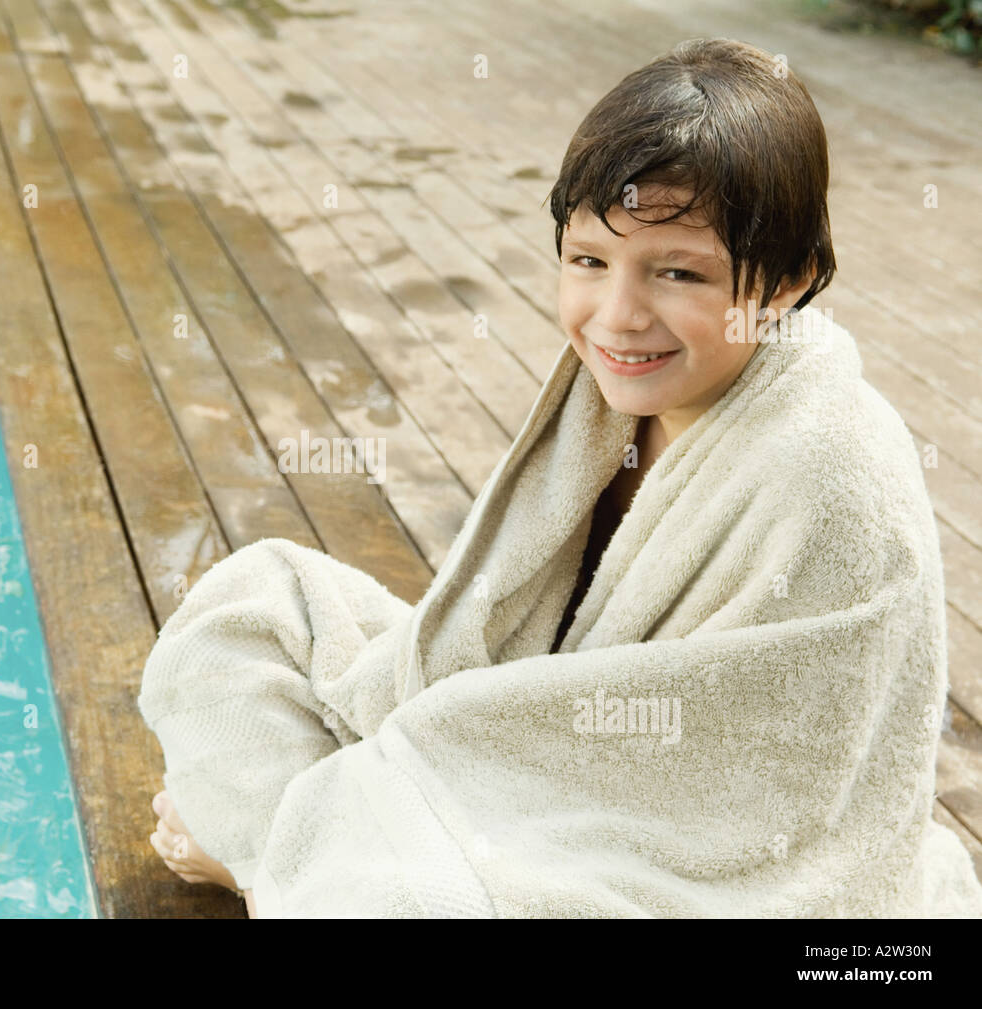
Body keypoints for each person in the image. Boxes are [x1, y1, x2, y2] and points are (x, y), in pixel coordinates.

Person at [141, 38, 980, 918]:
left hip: (695, 852)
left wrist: (283, 841)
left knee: (407, 899)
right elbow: (496, 653)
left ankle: (264, 852)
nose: (617, 316)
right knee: (249, 607)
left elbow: (750, 804)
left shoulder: (833, 470)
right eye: (589, 261)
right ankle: (300, 852)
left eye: (679, 272)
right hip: (545, 741)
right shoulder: (621, 397)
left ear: (791, 281)